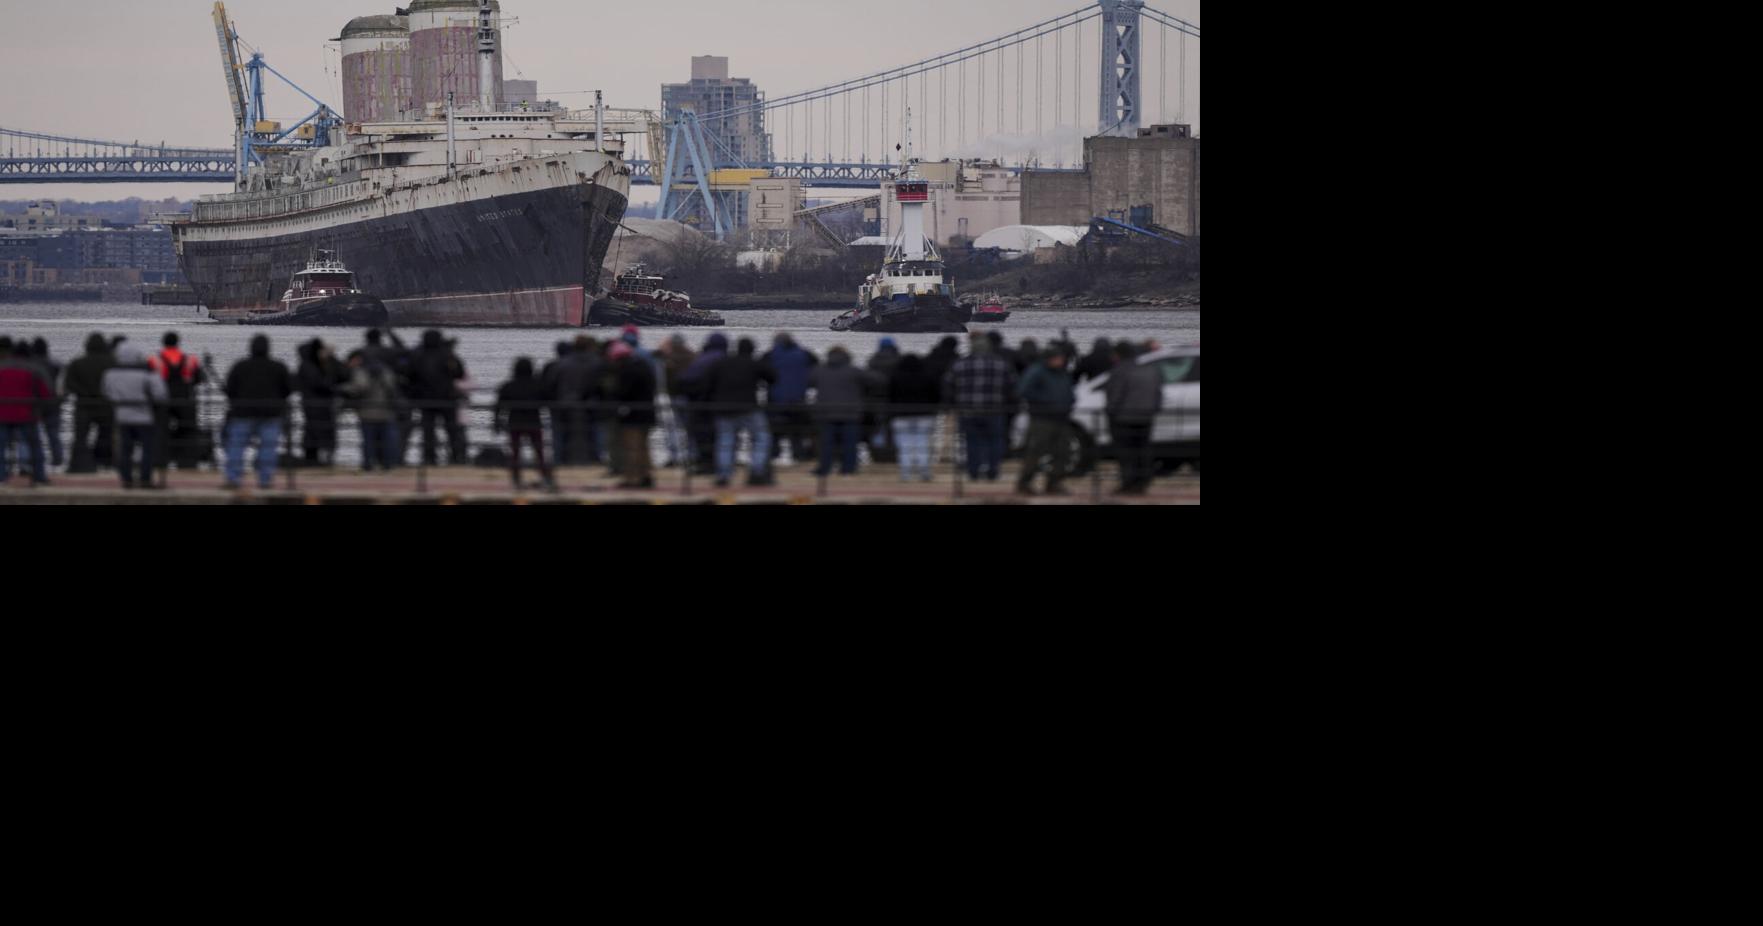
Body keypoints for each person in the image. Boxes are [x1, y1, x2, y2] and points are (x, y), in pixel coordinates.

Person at [222, 334, 294, 490]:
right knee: (268, 448)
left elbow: (229, 389)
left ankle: (233, 479)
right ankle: (265, 480)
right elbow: (288, 389)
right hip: (271, 414)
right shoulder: (278, 367)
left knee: (236, 446)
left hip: (242, 413)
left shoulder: (240, 366)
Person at [943, 333, 1016, 482]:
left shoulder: (960, 364)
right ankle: (993, 471)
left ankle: (973, 471)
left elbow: (948, 384)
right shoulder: (1001, 364)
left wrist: (953, 403)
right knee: (995, 441)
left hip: (968, 410)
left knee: (972, 442)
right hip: (994, 410)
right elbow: (1012, 386)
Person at [704, 337, 776, 488]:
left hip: (724, 408)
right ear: (752, 350)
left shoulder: (722, 363)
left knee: (725, 441)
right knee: (761, 437)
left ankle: (723, 475)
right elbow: (773, 377)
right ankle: (757, 471)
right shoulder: (753, 363)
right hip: (748, 407)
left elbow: (708, 381)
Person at [99, 344, 168, 490]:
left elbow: (106, 393)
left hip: (122, 417)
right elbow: (161, 394)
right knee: (147, 449)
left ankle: (126, 479)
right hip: (144, 417)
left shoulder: (110, 374)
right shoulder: (147, 375)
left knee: (125, 450)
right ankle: (145, 478)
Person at [1104, 341, 1163, 496]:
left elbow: (1115, 395)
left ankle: (1128, 482)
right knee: (1143, 451)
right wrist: (1153, 410)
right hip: (1145, 417)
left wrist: (1111, 411)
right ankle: (1142, 481)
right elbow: (1158, 393)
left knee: (1126, 453)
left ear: (1118, 354)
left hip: (1124, 418)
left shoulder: (1120, 371)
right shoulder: (1150, 370)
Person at [1015, 349, 1077, 496]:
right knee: (1036, 451)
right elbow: (1023, 390)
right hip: (1042, 418)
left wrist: (1070, 400)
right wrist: (1045, 401)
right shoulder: (1036, 372)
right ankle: (1024, 483)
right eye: (1057, 358)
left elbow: (1068, 390)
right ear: (1049, 359)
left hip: (1061, 417)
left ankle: (1054, 482)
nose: (1060, 361)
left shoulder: (1062, 373)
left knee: (1063, 451)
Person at [807, 346, 876, 478]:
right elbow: (875, 380)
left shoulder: (820, 370)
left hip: (826, 413)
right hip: (849, 413)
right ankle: (848, 469)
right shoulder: (853, 371)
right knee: (850, 444)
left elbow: (808, 381)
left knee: (826, 443)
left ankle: (824, 468)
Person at [494, 357, 556, 492]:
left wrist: (497, 422)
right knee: (539, 451)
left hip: (514, 422)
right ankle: (545, 477)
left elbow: (499, 406)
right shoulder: (538, 385)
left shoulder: (508, 386)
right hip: (534, 421)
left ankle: (516, 478)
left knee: (515, 452)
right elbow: (548, 401)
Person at [0, 336, 55, 487]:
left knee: (1, 446)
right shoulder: (34, 369)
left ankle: (1, 476)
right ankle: (39, 475)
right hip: (27, 414)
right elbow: (46, 393)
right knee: (35, 445)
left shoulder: (2, 368)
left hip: (2, 413)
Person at [149, 332, 206, 469]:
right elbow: (199, 378)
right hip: (184, 400)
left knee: (159, 430)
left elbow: (147, 380)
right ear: (177, 343)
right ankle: (187, 462)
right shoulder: (190, 360)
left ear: (163, 343)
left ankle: (159, 461)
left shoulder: (154, 360)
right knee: (187, 430)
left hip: (163, 400)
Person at [61, 333, 115, 473]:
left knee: (80, 437)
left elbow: (68, 384)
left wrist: (83, 392)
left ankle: (76, 466)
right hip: (105, 405)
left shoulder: (77, 363)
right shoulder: (112, 362)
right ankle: (104, 464)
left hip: (83, 405)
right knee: (105, 436)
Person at [761, 333, 817, 465]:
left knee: (774, 435)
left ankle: (769, 462)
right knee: (797, 434)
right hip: (798, 401)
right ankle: (800, 458)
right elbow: (816, 369)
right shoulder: (805, 355)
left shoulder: (769, 355)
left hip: (775, 401)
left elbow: (761, 373)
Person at [608, 341, 657, 489]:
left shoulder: (627, 370)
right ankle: (646, 476)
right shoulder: (645, 366)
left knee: (631, 448)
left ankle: (632, 479)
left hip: (633, 415)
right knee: (643, 447)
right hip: (648, 412)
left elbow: (623, 392)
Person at [679, 332, 728, 476]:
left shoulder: (700, 359)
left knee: (701, 436)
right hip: (715, 404)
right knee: (718, 435)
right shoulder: (722, 359)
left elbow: (684, 379)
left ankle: (703, 462)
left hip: (696, 403)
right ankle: (717, 464)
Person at [343, 348, 401, 471]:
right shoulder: (386, 371)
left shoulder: (361, 371)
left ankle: (368, 464)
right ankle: (387, 463)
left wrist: (344, 388)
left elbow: (360, 387)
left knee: (368, 441)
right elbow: (392, 387)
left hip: (367, 412)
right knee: (386, 441)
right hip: (386, 411)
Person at [887, 354, 941, 482]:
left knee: (904, 446)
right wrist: (933, 410)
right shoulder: (929, 376)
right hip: (924, 415)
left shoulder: (896, 376)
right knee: (923, 444)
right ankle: (924, 472)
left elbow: (890, 396)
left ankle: (905, 474)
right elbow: (936, 395)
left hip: (901, 416)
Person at [296, 339, 348, 467]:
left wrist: (332, 359)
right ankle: (316, 462)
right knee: (318, 436)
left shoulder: (319, 364)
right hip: (317, 408)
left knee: (319, 437)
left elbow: (345, 375)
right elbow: (321, 383)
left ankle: (320, 461)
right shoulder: (308, 366)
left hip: (321, 407)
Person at [656, 335, 694, 468]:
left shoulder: (668, 359)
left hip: (674, 396)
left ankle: (674, 456)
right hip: (689, 397)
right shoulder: (693, 357)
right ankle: (691, 456)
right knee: (691, 428)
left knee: (672, 428)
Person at [28, 339, 65, 470]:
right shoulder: (55, 364)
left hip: (33, 402)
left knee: (32, 434)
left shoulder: (29, 364)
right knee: (53, 433)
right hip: (52, 401)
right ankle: (58, 460)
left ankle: (35, 461)